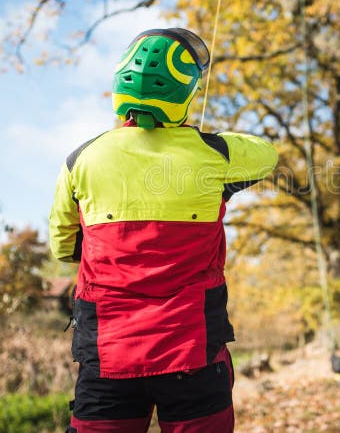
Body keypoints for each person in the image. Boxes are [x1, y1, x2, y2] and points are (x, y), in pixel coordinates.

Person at [49, 28, 278, 433]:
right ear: (185, 95)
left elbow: (62, 246)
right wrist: (199, 141)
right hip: (192, 355)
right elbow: (266, 155)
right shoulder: (215, 153)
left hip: (108, 356)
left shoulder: (80, 160)